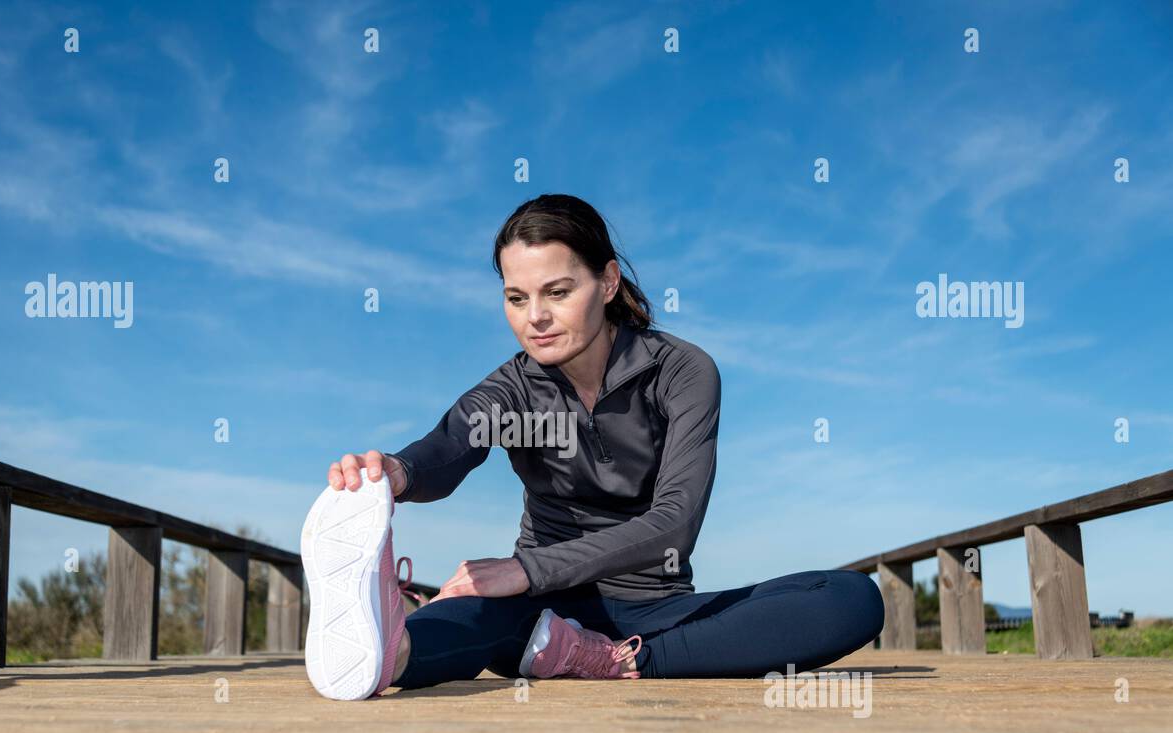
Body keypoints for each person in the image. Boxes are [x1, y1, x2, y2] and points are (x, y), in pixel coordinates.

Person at [299, 194, 883, 701]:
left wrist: (525, 568)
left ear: (606, 283)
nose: (537, 318)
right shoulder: (512, 388)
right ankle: (387, 654)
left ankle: (614, 660)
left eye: (557, 291)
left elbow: (674, 523)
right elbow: (450, 445)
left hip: (653, 610)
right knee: (481, 619)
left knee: (849, 599)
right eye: (516, 297)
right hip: (540, 610)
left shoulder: (681, 371)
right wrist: (395, 474)